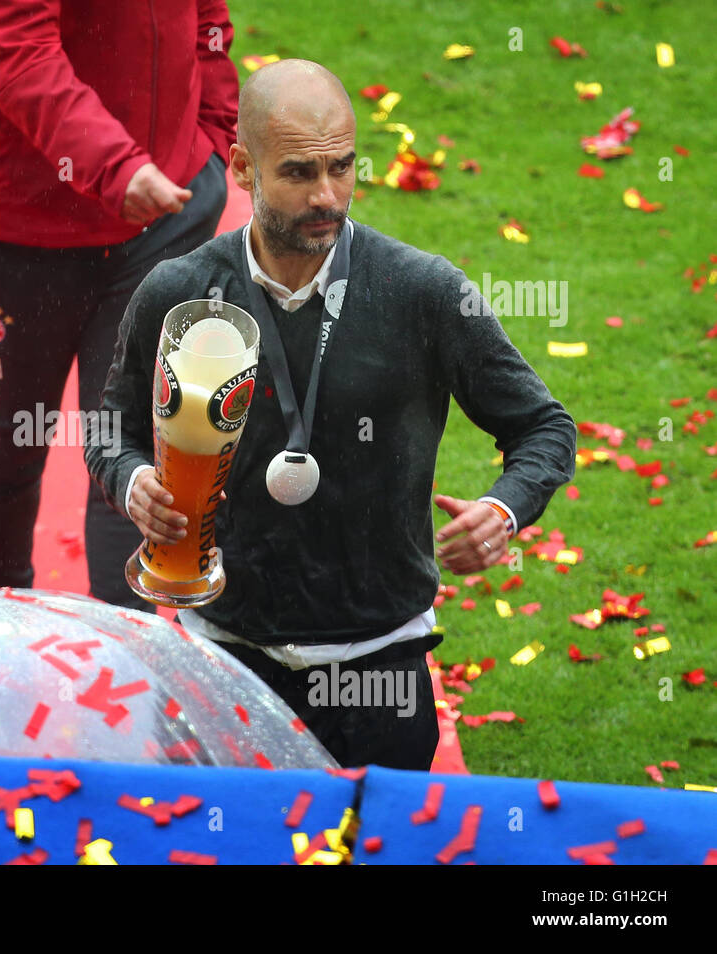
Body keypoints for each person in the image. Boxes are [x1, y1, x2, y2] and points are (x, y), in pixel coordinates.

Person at [84, 60, 578, 769]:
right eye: (299, 173)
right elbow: (111, 426)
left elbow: (543, 427)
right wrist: (135, 484)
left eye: (342, 167)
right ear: (243, 169)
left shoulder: (422, 292)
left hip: (382, 665)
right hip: (225, 656)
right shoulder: (180, 291)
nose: (327, 195)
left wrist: (504, 511)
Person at [0, 0, 240, 609]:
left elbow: (207, 17)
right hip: (24, 231)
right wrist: (115, 166)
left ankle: (122, 676)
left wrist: (213, 132)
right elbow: (19, 46)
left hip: (159, 217)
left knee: (131, 445)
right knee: (6, 452)